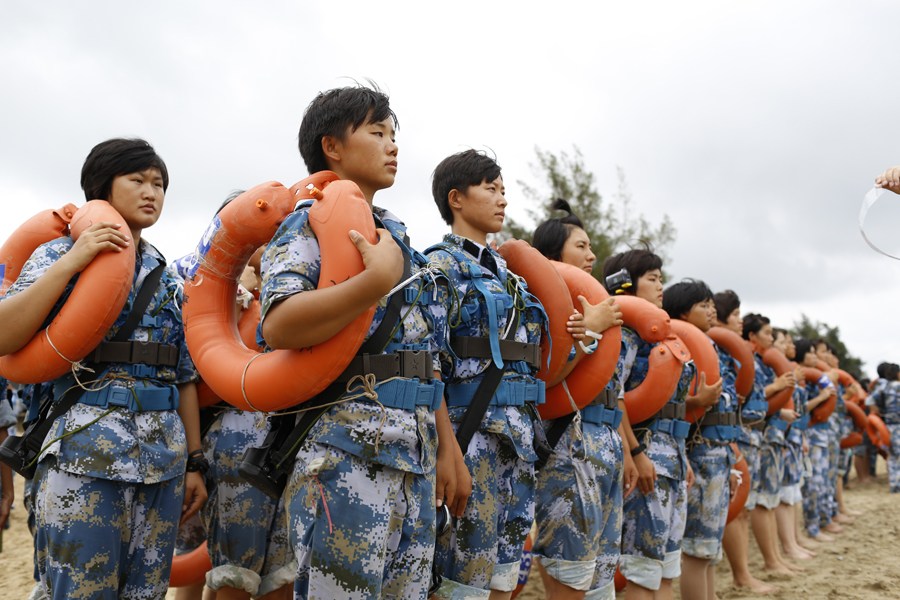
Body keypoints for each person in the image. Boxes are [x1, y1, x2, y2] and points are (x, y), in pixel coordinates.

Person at [258, 84, 462, 599]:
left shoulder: (398, 239)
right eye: (378, 132)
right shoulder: (307, 222)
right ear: (333, 146)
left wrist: (447, 448)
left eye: (394, 134)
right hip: (345, 456)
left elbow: (424, 358)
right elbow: (280, 324)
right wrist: (370, 285)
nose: (393, 145)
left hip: (414, 459)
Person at [0, 138, 206, 598]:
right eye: (137, 180)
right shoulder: (59, 255)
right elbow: (4, 333)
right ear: (102, 188)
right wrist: (75, 258)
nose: (151, 191)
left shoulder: (167, 277)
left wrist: (194, 461)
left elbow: (184, 376)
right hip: (84, 460)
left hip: (162, 466)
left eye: (159, 184)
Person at [426, 149, 555, 599]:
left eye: (504, 190)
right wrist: (447, 450)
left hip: (517, 444)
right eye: (490, 188)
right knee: (461, 582)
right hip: (469, 439)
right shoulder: (439, 268)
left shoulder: (512, 277)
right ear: (456, 198)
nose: (502, 199)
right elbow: (429, 368)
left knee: (503, 578)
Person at [530, 199, 633, 600]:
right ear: (555, 255)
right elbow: (545, 375)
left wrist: (627, 449)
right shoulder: (539, 304)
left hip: (603, 446)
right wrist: (587, 331)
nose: (592, 255)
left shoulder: (597, 305)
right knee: (569, 571)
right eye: (582, 246)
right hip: (567, 447)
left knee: (600, 574)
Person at [602, 248, 694, 600]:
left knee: (667, 565)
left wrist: (682, 459)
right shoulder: (624, 336)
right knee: (643, 568)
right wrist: (635, 453)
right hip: (647, 456)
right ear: (626, 285)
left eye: (661, 278)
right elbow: (615, 396)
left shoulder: (656, 338)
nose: (660, 287)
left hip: (672, 457)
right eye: (652, 279)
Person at [663, 280, 733, 600]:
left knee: (709, 547)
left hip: (718, 454)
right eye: (703, 305)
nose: (712, 310)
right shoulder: (679, 349)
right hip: (699, 453)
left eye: (711, 304)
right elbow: (668, 403)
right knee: (696, 548)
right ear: (682, 313)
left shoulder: (709, 347)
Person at [711, 290, 776, 594]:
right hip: (728, 437)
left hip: (744, 433)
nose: (739, 320)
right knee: (738, 508)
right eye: (735, 314)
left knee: (746, 506)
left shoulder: (733, 353)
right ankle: (742, 574)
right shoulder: (710, 349)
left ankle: (746, 571)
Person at [742, 313, 800, 575]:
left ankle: (776, 556)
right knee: (760, 501)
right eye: (767, 333)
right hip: (754, 436)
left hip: (764, 434)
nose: (771, 338)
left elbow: (765, 403)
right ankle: (770, 560)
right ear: (752, 335)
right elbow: (744, 397)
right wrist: (776, 386)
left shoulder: (763, 363)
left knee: (769, 498)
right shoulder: (746, 360)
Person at [795, 339, 839, 542]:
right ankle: (813, 526)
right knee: (813, 482)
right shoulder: (800, 377)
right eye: (811, 353)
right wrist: (822, 397)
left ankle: (825, 518)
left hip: (822, 434)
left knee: (824, 480)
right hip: (810, 434)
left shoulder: (817, 377)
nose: (814, 357)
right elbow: (800, 407)